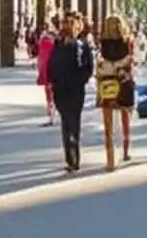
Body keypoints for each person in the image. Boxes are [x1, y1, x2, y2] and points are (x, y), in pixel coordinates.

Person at [47, 11, 94, 173]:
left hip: (74, 89)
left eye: (73, 23)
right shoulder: (59, 44)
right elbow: (51, 64)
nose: (70, 26)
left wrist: (82, 79)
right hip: (62, 88)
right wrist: (52, 81)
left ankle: (73, 158)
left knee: (72, 122)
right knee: (67, 122)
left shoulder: (82, 45)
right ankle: (70, 157)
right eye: (67, 23)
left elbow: (89, 66)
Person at [95, 14, 135, 172]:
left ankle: (110, 159)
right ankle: (125, 151)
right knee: (126, 117)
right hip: (123, 82)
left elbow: (100, 64)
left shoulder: (102, 43)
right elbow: (131, 61)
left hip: (106, 83)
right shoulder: (128, 41)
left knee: (108, 124)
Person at [36, 16, 58, 125]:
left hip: (46, 71)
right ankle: (53, 114)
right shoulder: (55, 42)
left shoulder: (43, 42)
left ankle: (51, 115)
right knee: (54, 93)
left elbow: (40, 58)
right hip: (53, 71)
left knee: (49, 94)